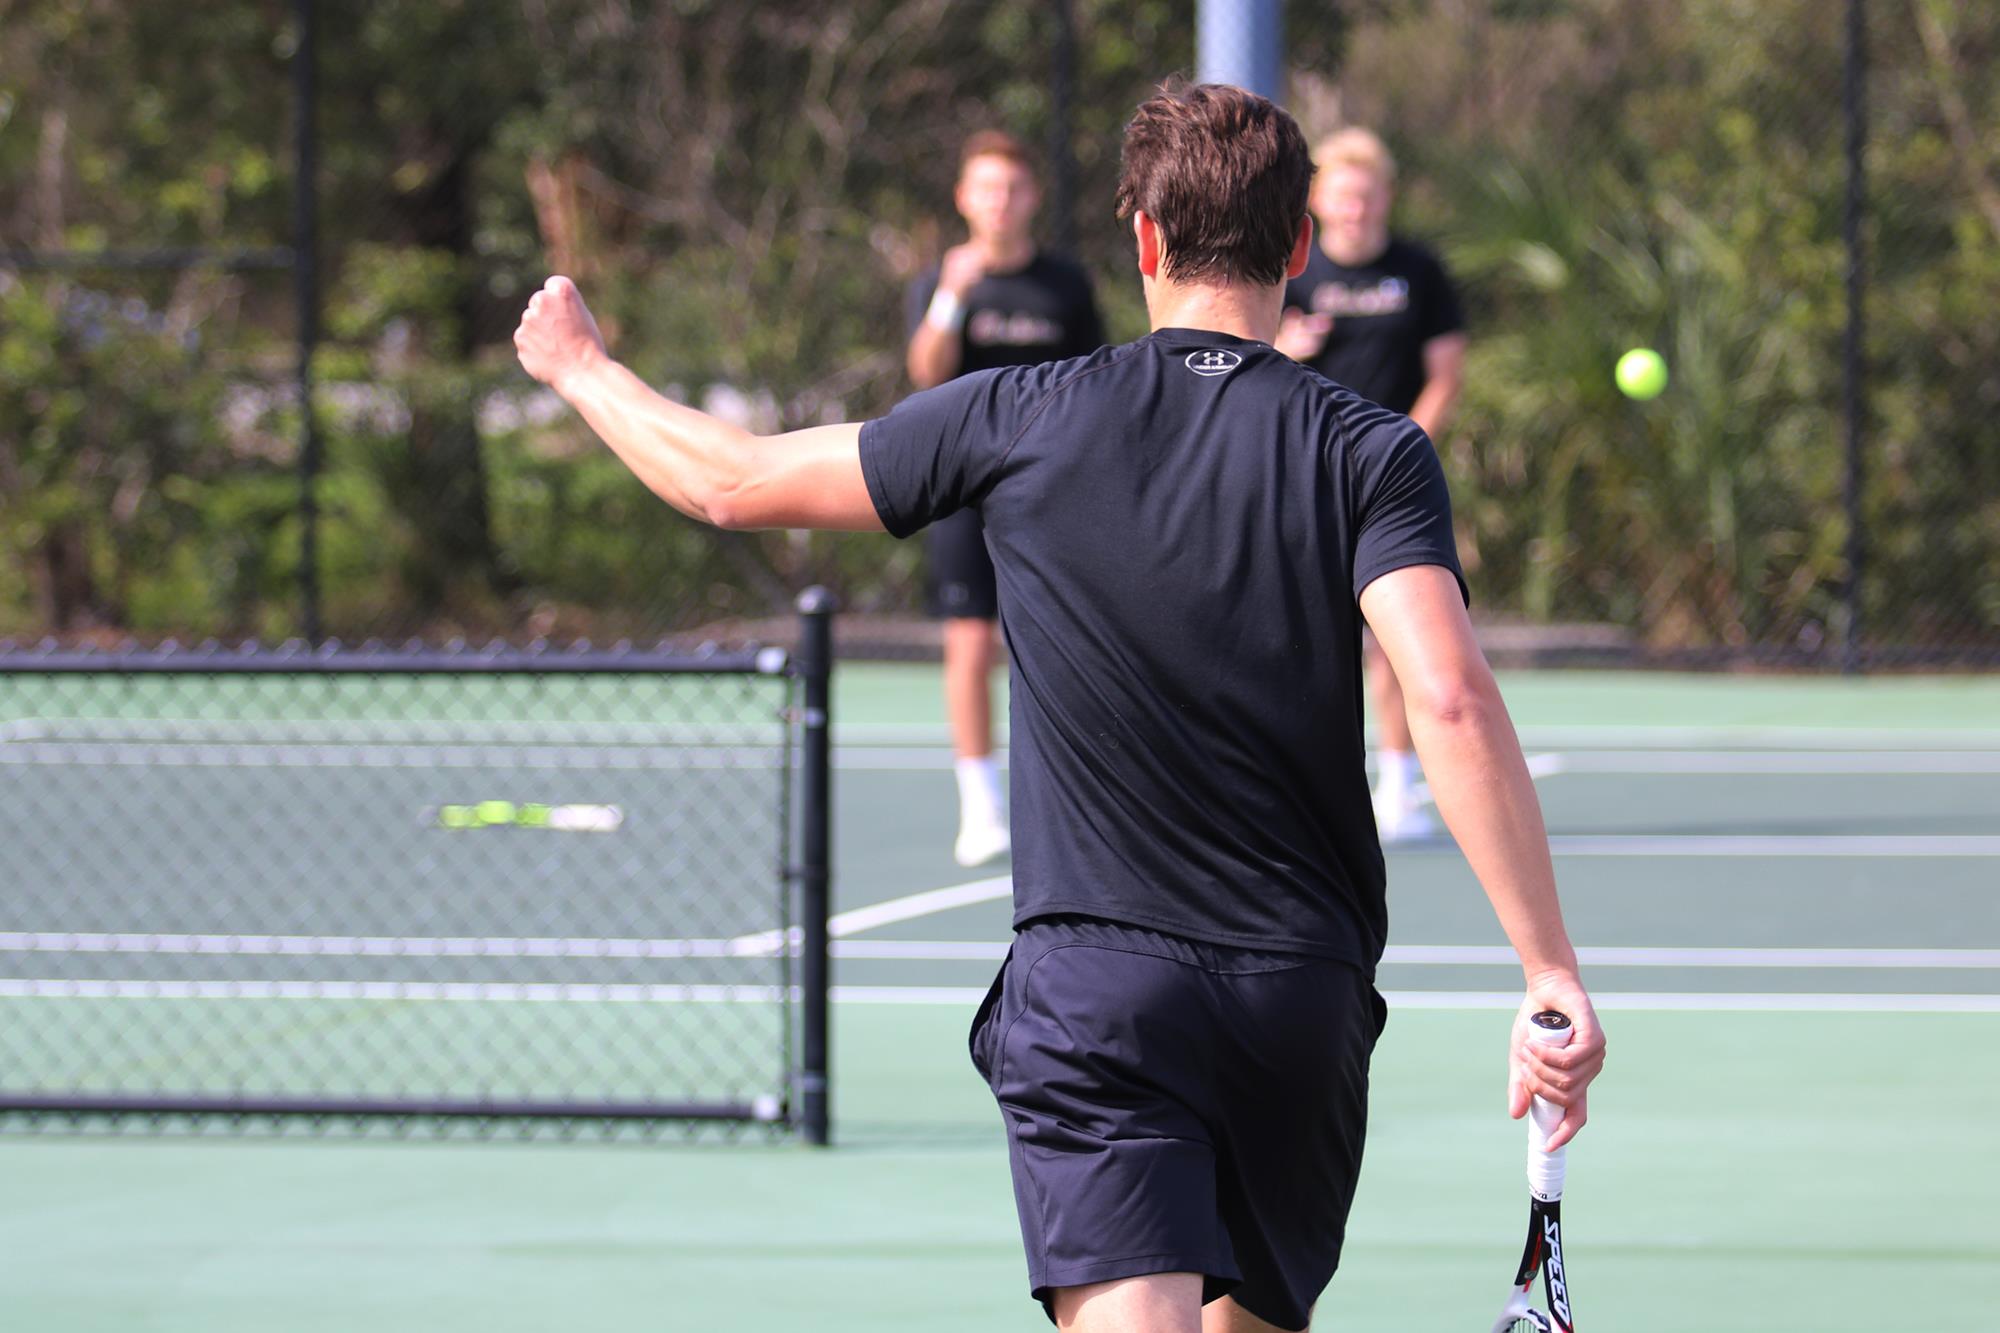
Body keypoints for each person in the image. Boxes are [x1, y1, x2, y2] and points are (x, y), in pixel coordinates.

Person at [514, 81, 1604, 1333]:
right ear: (1297, 248)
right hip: (1296, 1003)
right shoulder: (1369, 448)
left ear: (1140, 239)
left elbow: (730, 481)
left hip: (1098, 992)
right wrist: (1545, 968)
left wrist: (583, 368)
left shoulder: (1019, 414)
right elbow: (1450, 698)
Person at [906, 130, 1104, 868]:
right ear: (963, 198)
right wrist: (953, 295)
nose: (999, 201)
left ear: (1032, 198)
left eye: (1013, 188)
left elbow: (1095, 381)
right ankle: (979, 806)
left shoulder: (1066, 286)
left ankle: (1073, 802)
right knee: (970, 640)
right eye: (985, 187)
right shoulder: (939, 283)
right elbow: (928, 372)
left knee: (1066, 640)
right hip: (963, 487)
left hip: (1053, 488)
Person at [1277, 128, 1468, 842]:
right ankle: (1300, 789)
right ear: (1319, 201)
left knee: (1393, 641)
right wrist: (1283, 347)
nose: (1354, 208)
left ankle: (1397, 785)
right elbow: (1243, 359)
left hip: (1390, 481)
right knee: (1298, 636)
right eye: (1341, 194)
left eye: (1366, 194)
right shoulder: (1292, 273)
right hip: (1301, 475)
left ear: (1384, 198)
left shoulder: (1418, 271)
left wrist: (1405, 445)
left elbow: (1446, 373)